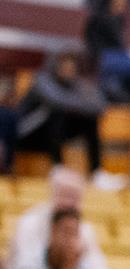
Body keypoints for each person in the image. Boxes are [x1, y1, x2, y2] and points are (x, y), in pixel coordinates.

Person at [6, 167, 116, 269]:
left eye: (74, 197)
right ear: (52, 195)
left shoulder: (86, 231)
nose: (69, 203)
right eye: (65, 195)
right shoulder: (29, 223)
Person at [14, 50, 108, 178]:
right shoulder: (41, 80)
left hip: (55, 137)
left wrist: (78, 104)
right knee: (56, 113)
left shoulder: (76, 84)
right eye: (64, 67)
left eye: (71, 69)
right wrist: (80, 103)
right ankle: (57, 168)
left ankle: (96, 172)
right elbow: (56, 102)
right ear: (55, 67)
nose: (68, 71)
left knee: (90, 120)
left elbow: (99, 106)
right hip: (28, 134)